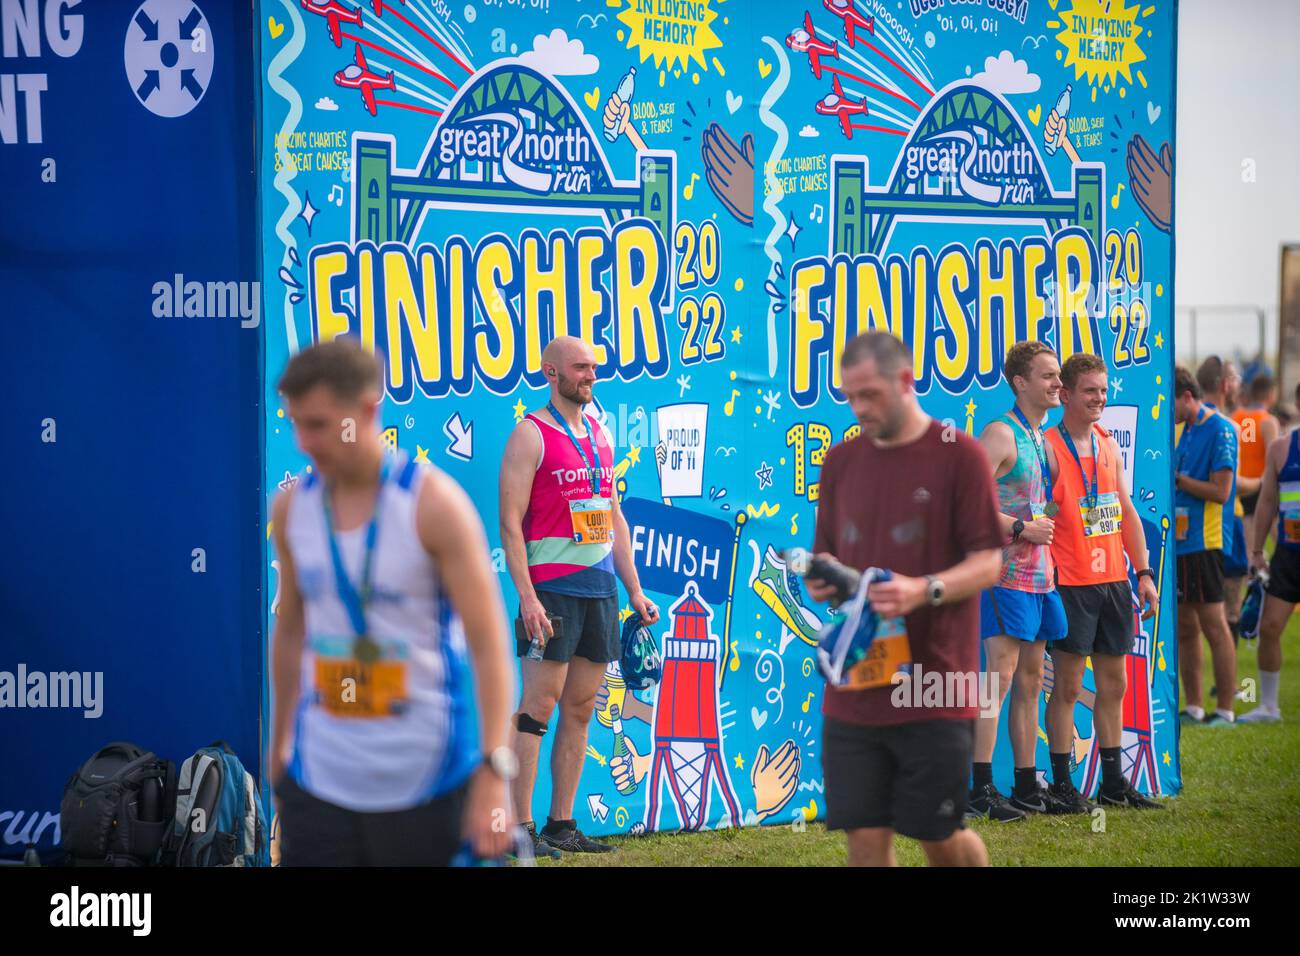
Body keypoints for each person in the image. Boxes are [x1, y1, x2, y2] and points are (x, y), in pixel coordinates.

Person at [269, 339, 518, 866]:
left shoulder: (433, 505)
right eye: (295, 423)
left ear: (366, 410)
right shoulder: (293, 509)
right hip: (321, 783)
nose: (303, 441)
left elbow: (490, 644)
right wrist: (280, 747)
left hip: (426, 784)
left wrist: (495, 773)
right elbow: (289, 628)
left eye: (317, 424)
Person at [806, 331, 1003, 867]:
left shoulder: (958, 454)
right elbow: (828, 555)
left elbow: (990, 559)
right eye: (849, 395)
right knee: (865, 844)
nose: (858, 407)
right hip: (856, 688)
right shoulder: (841, 461)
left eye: (869, 394)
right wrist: (825, 581)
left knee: (940, 836)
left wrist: (926, 589)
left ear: (905, 381)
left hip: (936, 686)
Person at [499, 335, 660, 855]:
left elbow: (614, 516)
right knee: (537, 707)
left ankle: (560, 824)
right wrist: (527, 597)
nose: (591, 375)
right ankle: (517, 830)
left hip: (600, 590)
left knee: (583, 706)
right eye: (581, 368)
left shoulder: (598, 431)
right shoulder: (530, 434)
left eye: (594, 367)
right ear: (551, 372)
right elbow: (509, 524)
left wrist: (633, 589)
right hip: (551, 591)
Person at [1043, 353, 1163, 808]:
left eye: (1103, 389)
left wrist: (1144, 572)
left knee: (1116, 686)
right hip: (1071, 581)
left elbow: (1127, 510)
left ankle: (1113, 784)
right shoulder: (1049, 447)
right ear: (1067, 394)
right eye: (1090, 390)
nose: (1100, 398)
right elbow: (1042, 512)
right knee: (1069, 688)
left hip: (1115, 580)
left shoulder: (1108, 442)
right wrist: (1053, 521)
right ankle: (1061, 785)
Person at [970, 342, 1068, 820]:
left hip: (1040, 577)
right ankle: (980, 790)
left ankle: (1027, 786)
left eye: (1058, 376)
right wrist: (1018, 528)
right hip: (1003, 575)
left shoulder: (1039, 434)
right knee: (1000, 680)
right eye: (1048, 376)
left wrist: (1046, 518)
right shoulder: (1000, 433)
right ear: (1020, 383)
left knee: (1031, 682)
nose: (1057, 384)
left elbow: (1033, 501)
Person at [1173, 365, 1239, 726]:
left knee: (1214, 623)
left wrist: (1179, 480)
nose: (1170, 412)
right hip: (1183, 541)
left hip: (1207, 540)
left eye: (1173, 403)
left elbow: (1221, 491)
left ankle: (1226, 709)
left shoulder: (1221, 428)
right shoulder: (1185, 430)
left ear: (1187, 396)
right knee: (1185, 625)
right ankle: (1195, 705)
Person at [1242, 413, 1299, 723]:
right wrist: (1256, 550)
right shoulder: (1280, 448)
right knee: (1269, 627)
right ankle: (1268, 706)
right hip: (1289, 555)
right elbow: (1266, 503)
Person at [1199, 357, 1249, 637]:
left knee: (1195, 618)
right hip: (1227, 526)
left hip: (1198, 533)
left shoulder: (1183, 422)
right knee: (1228, 613)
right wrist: (1266, 482)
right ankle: (1228, 682)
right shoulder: (1228, 426)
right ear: (1226, 384)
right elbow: (1231, 485)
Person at [1232, 374, 1279, 635]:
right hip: (1262, 486)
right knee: (1277, 537)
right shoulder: (1268, 421)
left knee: (1252, 548)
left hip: (1242, 486)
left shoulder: (1236, 417)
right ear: (1270, 395)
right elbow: (1275, 457)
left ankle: (1252, 592)